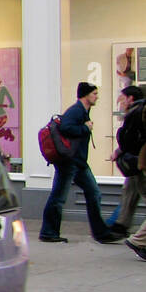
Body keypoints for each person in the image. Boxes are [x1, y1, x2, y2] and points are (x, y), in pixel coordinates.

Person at [39, 82, 124, 244]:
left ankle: (101, 233)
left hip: (78, 162)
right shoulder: (76, 111)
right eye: (94, 94)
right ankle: (49, 232)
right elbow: (65, 128)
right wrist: (85, 128)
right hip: (69, 162)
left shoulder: (84, 111)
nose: (97, 97)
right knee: (59, 198)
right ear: (85, 95)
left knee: (94, 193)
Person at [106, 85, 144, 231]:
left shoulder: (136, 113)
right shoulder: (136, 112)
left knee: (139, 190)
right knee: (130, 190)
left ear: (130, 99)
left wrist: (118, 151)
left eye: (122, 99)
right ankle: (121, 224)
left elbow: (131, 140)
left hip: (139, 161)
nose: (120, 103)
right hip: (136, 162)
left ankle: (122, 225)